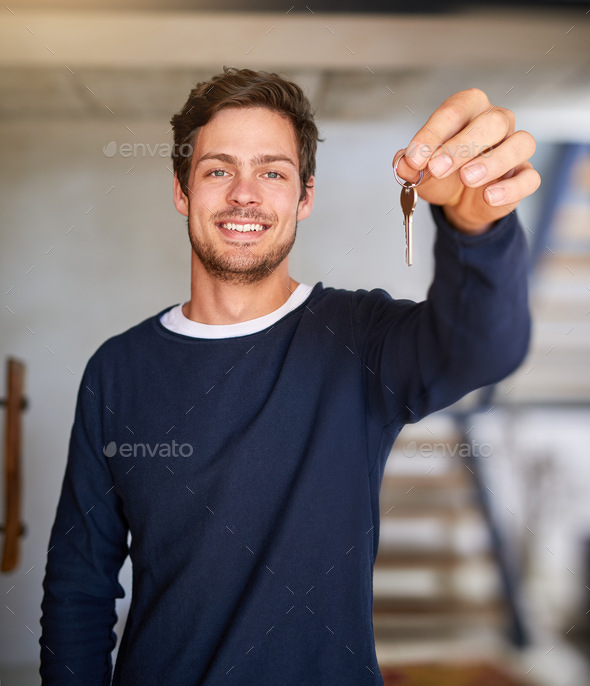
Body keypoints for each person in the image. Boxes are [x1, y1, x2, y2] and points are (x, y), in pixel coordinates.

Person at [39, 67, 539, 685]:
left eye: (271, 172)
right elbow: (77, 588)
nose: (244, 194)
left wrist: (476, 228)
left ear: (304, 196)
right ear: (180, 190)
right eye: (218, 169)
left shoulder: (360, 339)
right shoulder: (116, 370)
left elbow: (485, 348)